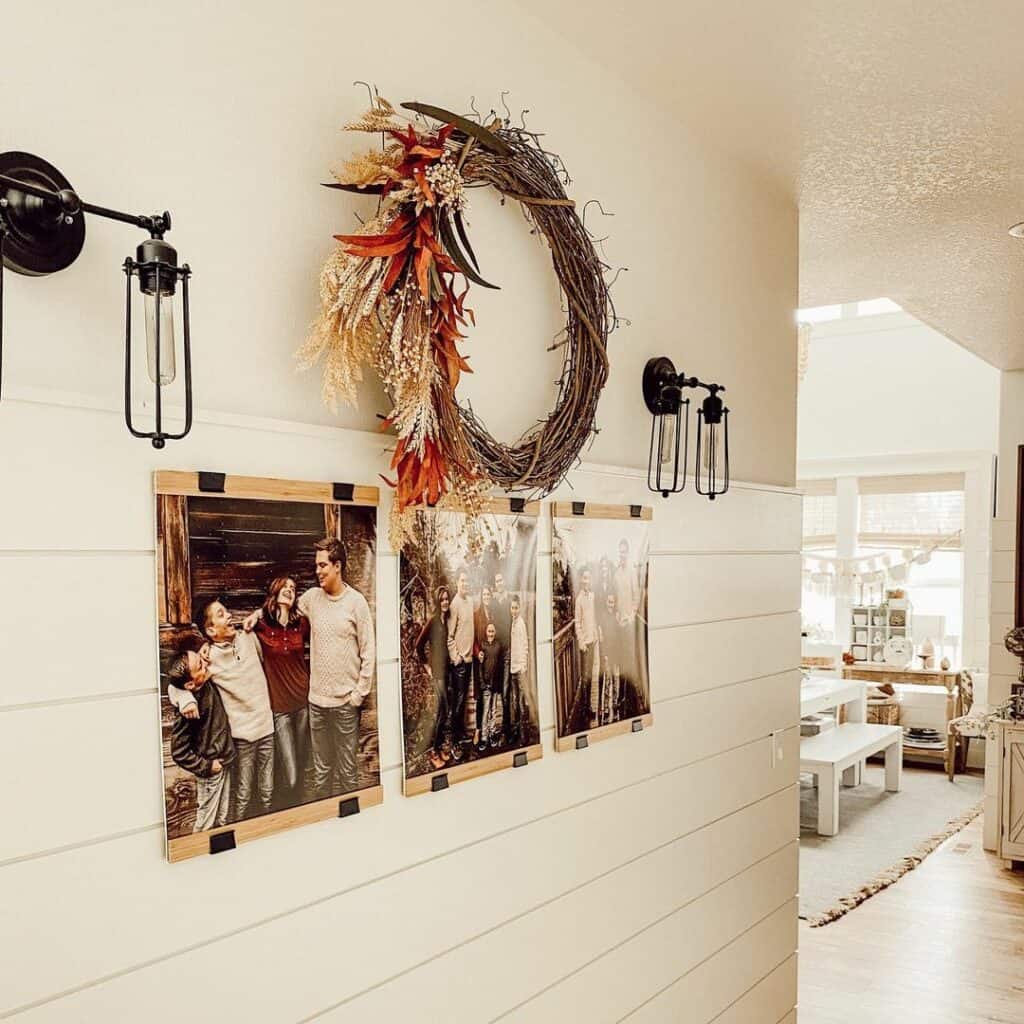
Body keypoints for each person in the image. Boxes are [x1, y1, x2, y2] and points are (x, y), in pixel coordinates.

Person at [299, 537, 376, 797]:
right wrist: (256, 616)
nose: (317, 571)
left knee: (346, 771)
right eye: (317, 565)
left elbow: (368, 652)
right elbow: (282, 609)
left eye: (322, 565)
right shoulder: (311, 599)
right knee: (321, 773)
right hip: (317, 704)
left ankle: (351, 829)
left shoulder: (356, 603)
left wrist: (358, 695)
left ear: (337, 566)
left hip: (345, 704)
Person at [199, 599, 275, 820]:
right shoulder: (209, 658)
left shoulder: (249, 638)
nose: (229, 616)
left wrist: (258, 613)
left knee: (268, 790)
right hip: (242, 737)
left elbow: (276, 614)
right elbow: (183, 683)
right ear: (211, 629)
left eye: (227, 612)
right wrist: (184, 700)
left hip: (267, 728)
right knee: (243, 794)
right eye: (221, 614)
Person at [253, 576, 311, 801]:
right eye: (285, 587)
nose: (289, 590)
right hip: (280, 709)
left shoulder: (301, 624)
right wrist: (255, 614)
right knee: (291, 769)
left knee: (303, 756)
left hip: (304, 702)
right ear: (275, 590)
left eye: (293, 588)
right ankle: (292, 807)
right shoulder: (262, 625)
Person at [167, 646, 235, 832]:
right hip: (211, 771)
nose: (206, 663)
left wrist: (204, 649)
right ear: (189, 684)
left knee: (223, 817)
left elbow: (175, 685)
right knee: (206, 822)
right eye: (200, 665)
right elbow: (179, 752)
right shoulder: (189, 710)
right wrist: (207, 766)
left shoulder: (203, 683)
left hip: (224, 761)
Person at [415, 586, 451, 769]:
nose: (445, 602)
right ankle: (433, 751)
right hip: (437, 672)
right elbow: (418, 645)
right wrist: (426, 666)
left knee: (445, 710)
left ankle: (439, 746)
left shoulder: (446, 620)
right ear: (438, 601)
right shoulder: (433, 621)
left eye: (447, 599)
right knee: (442, 711)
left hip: (447, 671)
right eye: (442, 599)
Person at [446, 569, 475, 761]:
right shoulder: (454, 605)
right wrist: (455, 656)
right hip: (459, 662)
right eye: (462, 580)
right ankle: (454, 740)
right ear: (457, 582)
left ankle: (462, 732)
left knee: (463, 699)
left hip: (469, 659)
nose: (465, 584)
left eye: (467, 581)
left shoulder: (470, 602)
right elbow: (450, 636)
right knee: (457, 701)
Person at [613, 539, 641, 699]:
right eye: (620, 551)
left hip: (629, 623)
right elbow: (616, 598)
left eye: (624, 551)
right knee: (621, 658)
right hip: (619, 622)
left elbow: (636, 597)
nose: (621, 554)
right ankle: (621, 695)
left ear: (628, 553)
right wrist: (617, 615)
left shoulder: (632, 572)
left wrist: (631, 617)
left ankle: (630, 695)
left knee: (629, 659)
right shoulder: (616, 573)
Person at [472, 584, 495, 751]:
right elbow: (473, 638)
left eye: (488, 594)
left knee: (491, 696)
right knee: (480, 696)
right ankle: (479, 730)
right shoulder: (477, 615)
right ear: (481, 597)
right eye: (484, 594)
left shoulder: (492, 613)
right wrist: (477, 651)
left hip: (491, 660)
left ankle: (490, 730)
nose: (486, 597)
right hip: (480, 660)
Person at [573, 567, 598, 721]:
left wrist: (596, 633)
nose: (586, 581)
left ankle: (588, 706)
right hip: (584, 644)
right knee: (585, 677)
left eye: (589, 578)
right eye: (584, 578)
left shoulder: (593, 596)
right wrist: (581, 641)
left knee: (591, 676)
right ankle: (583, 710)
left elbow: (594, 617)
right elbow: (577, 623)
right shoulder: (579, 599)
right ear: (581, 580)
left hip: (593, 641)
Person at [476, 621, 504, 748]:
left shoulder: (498, 646)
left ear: (495, 632)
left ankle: (493, 734)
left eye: (493, 631)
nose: (491, 633)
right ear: (486, 633)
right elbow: (480, 667)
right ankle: (484, 737)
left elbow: (499, 666)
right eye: (489, 631)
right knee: (486, 711)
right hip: (486, 685)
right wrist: (482, 683)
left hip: (496, 684)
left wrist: (497, 684)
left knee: (494, 710)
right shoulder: (483, 646)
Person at [506, 595, 529, 745]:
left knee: (521, 702)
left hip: (520, 669)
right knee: (514, 701)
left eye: (516, 608)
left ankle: (523, 735)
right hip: (513, 668)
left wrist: (523, 666)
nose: (514, 611)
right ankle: (515, 731)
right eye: (512, 608)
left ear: (520, 608)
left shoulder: (520, 624)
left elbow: (525, 646)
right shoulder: (513, 623)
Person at [596, 591, 620, 725]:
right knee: (608, 680)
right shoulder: (603, 619)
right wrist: (604, 655)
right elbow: (602, 639)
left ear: (615, 603)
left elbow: (619, 637)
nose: (611, 604)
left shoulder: (616, 617)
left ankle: (615, 704)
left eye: (613, 602)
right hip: (607, 654)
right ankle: (605, 707)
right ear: (606, 602)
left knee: (617, 678)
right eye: (609, 602)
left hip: (616, 653)